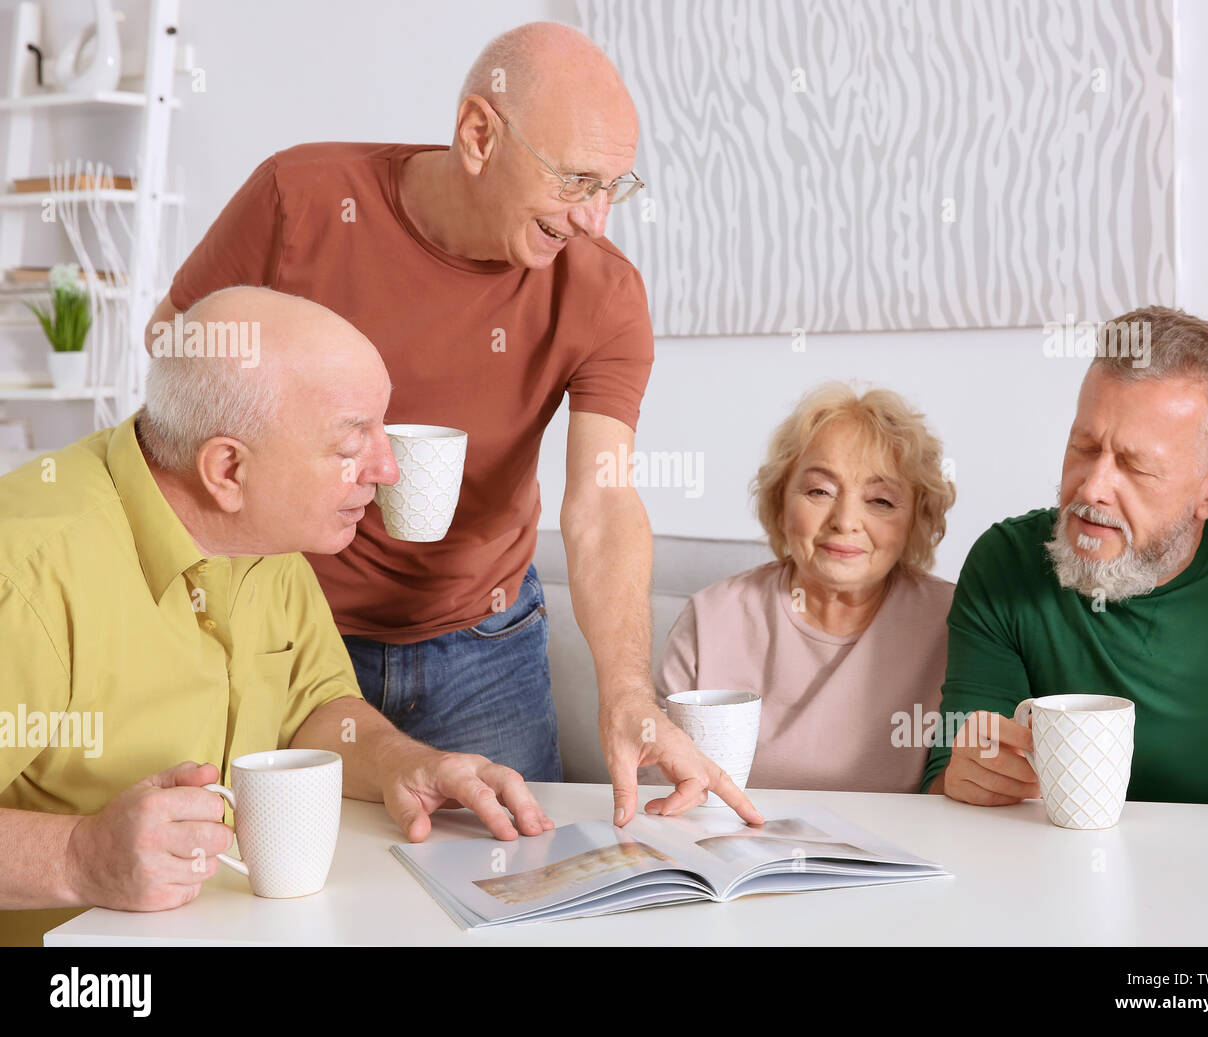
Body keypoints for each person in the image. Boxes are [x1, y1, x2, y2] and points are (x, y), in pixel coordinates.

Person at [146, 21, 760, 826]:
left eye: (615, 186)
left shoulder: (603, 294)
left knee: (517, 874)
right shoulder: (301, 200)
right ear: (479, 134)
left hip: (484, 651)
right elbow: (173, 354)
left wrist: (629, 693)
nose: (596, 219)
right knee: (272, 887)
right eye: (576, 180)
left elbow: (604, 502)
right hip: (285, 636)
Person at [0, 287, 552, 946]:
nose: (388, 467)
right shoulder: (28, 570)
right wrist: (77, 857)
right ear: (227, 468)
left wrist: (404, 762)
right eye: (353, 441)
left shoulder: (265, 526)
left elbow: (310, 709)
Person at [925, 306, 1208, 807]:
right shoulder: (1006, 564)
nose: (1093, 488)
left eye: (1136, 466)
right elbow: (945, 787)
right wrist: (966, 776)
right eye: (1084, 446)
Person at [653, 383, 957, 794]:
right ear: (781, 501)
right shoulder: (712, 616)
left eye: (881, 500)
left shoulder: (956, 622)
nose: (845, 520)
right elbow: (658, 785)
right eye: (820, 491)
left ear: (915, 520)